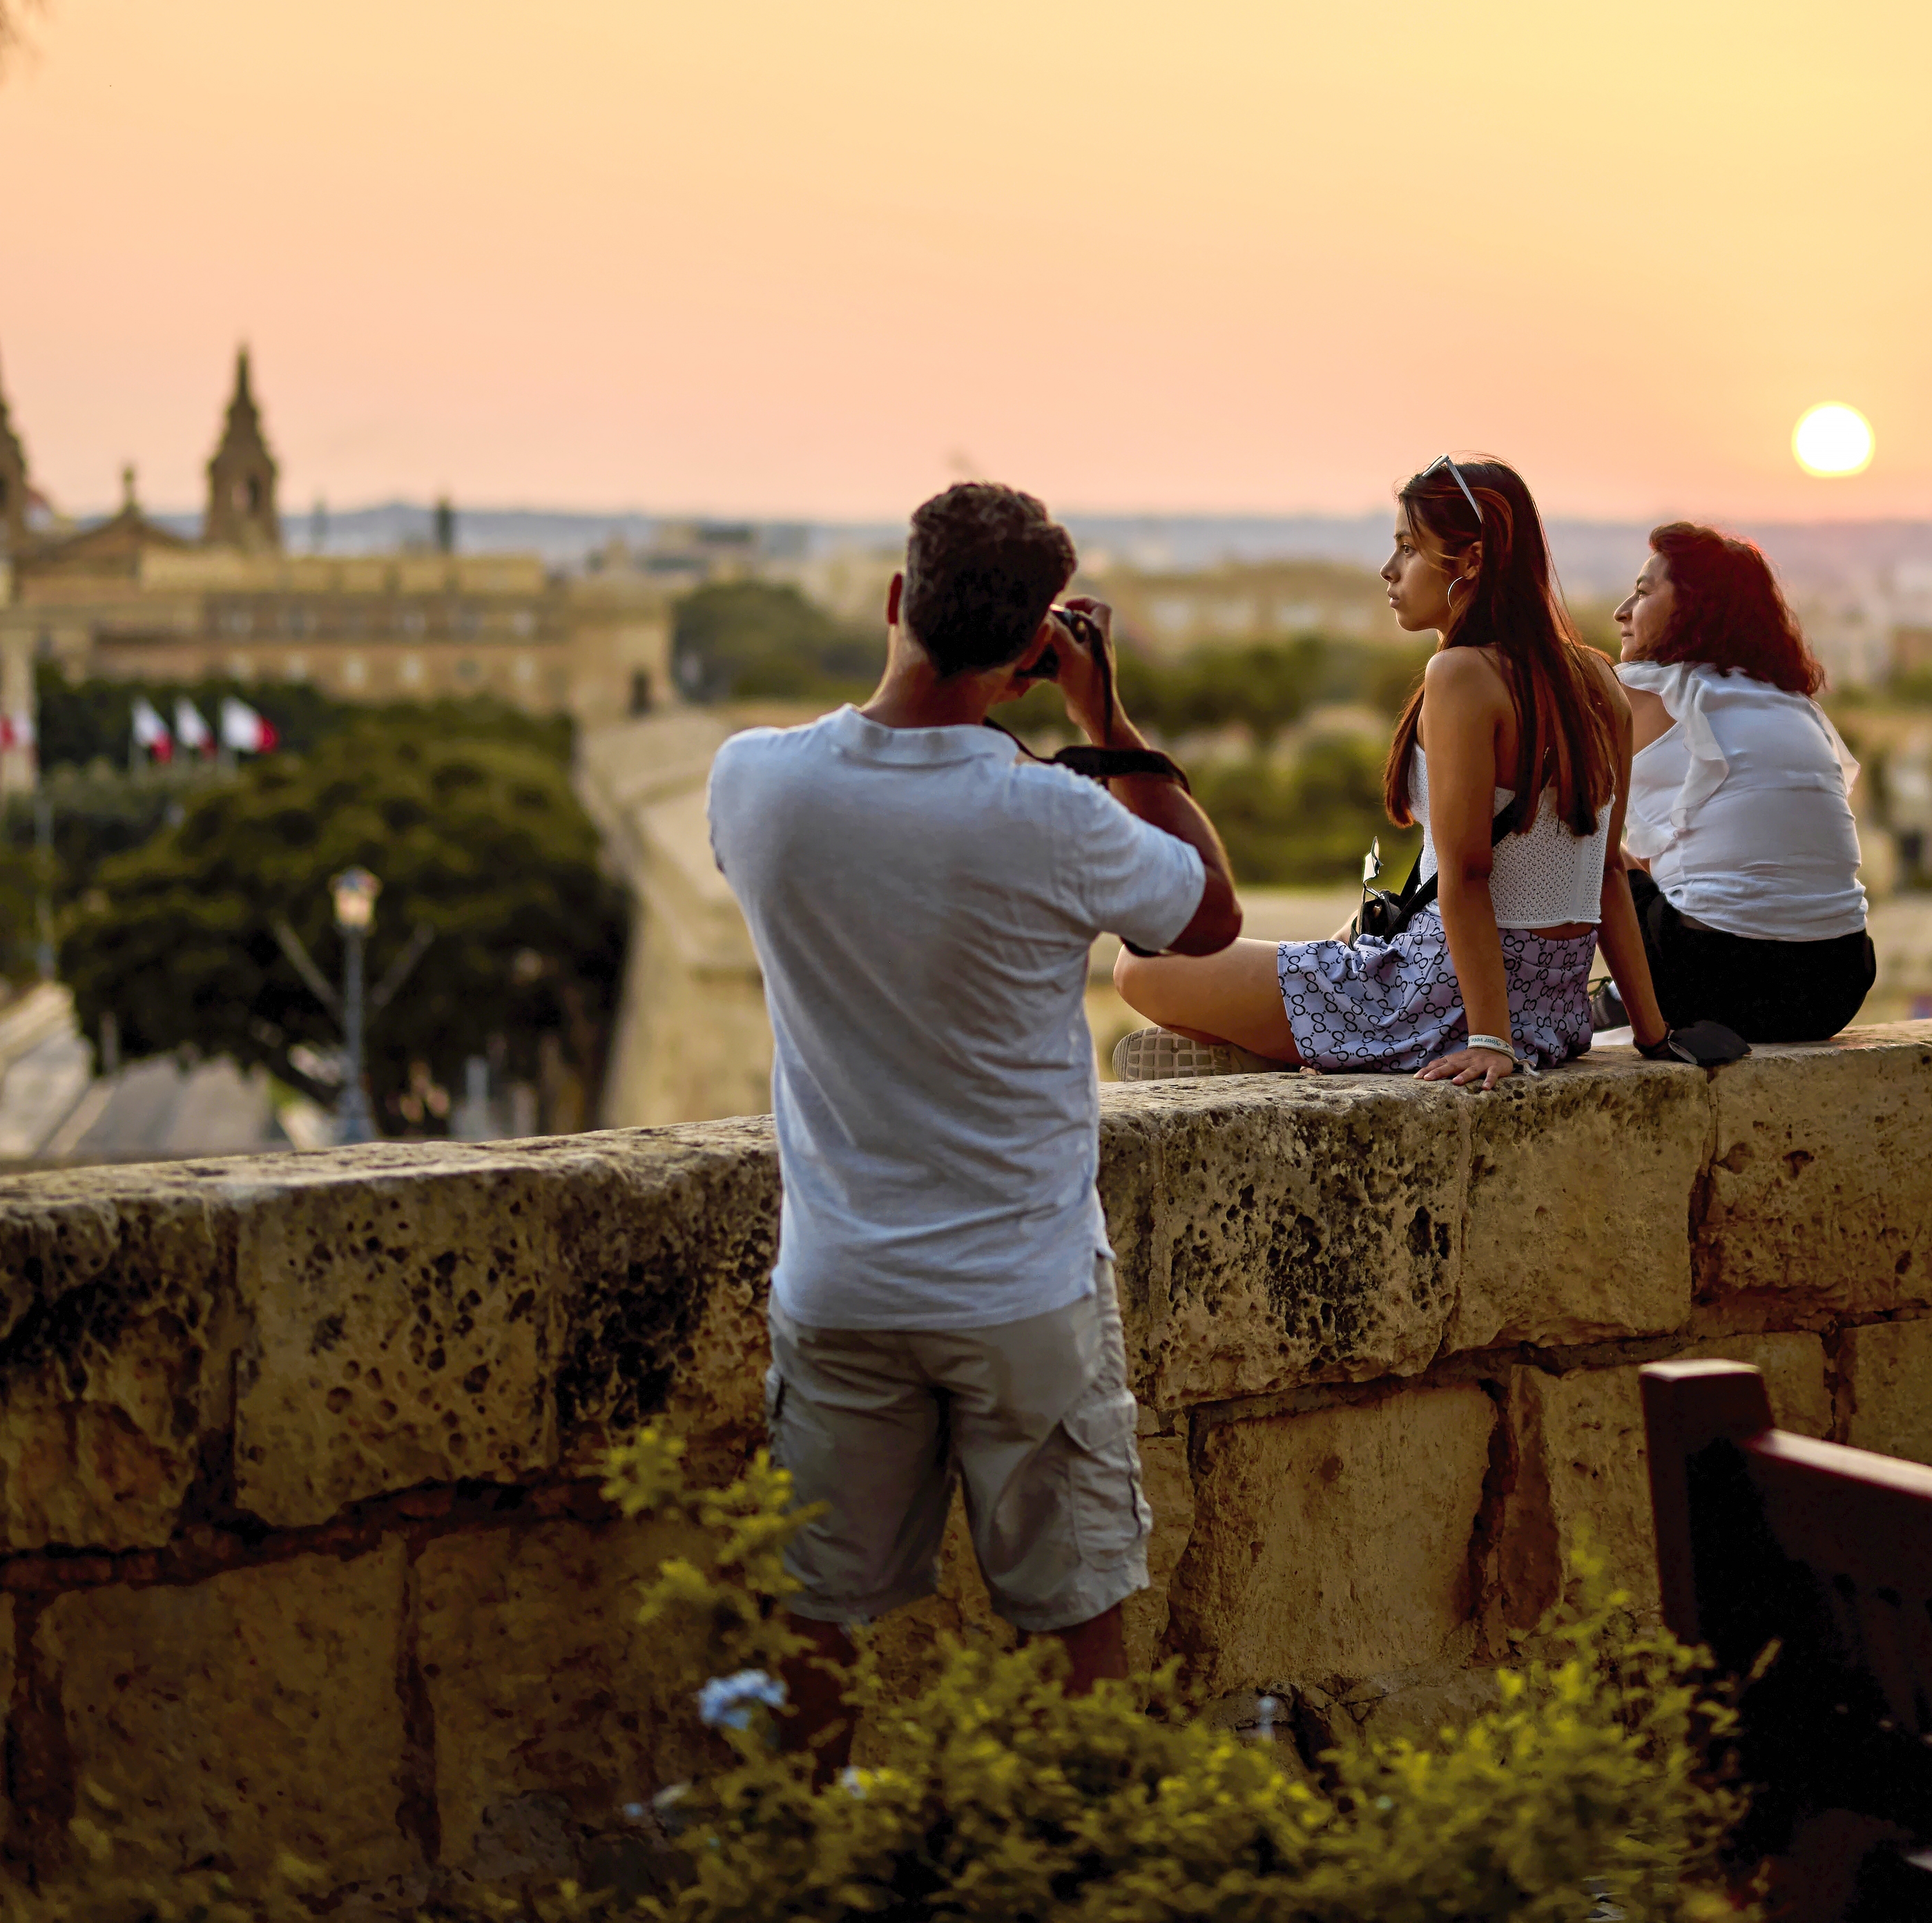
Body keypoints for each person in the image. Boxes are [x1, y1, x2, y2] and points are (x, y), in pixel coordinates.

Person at [706, 482, 1240, 1743]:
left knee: (813, 1619)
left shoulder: (755, 783)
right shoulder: (1051, 814)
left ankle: (805, 1833)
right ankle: (1073, 1837)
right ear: (1030, 651)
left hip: (841, 1284)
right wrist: (1106, 722)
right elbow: (1209, 917)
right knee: (1076, 1624)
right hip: (1022, 1294)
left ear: (897, 598)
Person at [1115, 454, 1684, 1082]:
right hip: (1551, 1011)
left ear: (1471, 561)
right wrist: (1653, 1035)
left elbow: (1468, 872)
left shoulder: (1462, 674)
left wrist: (1489, 1040)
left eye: (1409, 549)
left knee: (1141, 964)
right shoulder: (1598, 677)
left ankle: (1287, 1049)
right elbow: (1608, 870)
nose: (1388, 569)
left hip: (1437, 1001)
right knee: (1346, 936)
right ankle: (1280, 1047)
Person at [1610, 523, 1878, 1041]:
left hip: (1717, 981)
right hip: (1838, 985)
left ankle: (1571, 1007)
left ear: (1694, 607)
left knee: (1578, 833)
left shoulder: (1645, 691)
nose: (1622, 611)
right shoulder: (1795, 705)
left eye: (1642, 593)